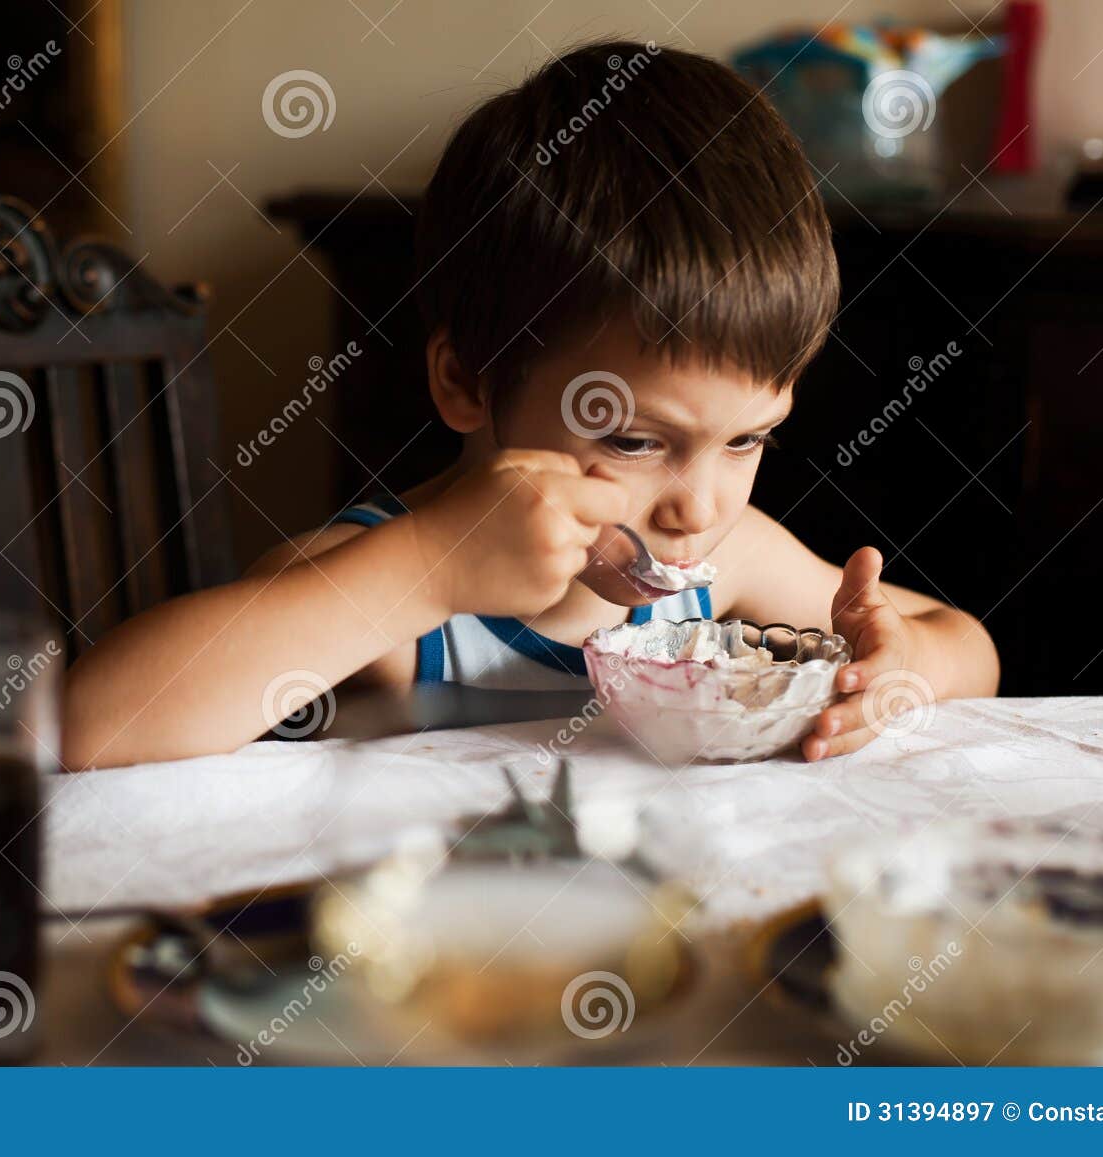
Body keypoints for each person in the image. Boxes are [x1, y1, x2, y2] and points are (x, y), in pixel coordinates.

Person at [64, 40, 999, 769]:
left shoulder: (729, 559)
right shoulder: (399, 599)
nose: (699, 506)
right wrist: (428, 569)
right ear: (468, 382)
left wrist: (896, 672)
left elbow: (970, 648)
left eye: (748, 437)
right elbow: (90, 727)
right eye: (634, 440)